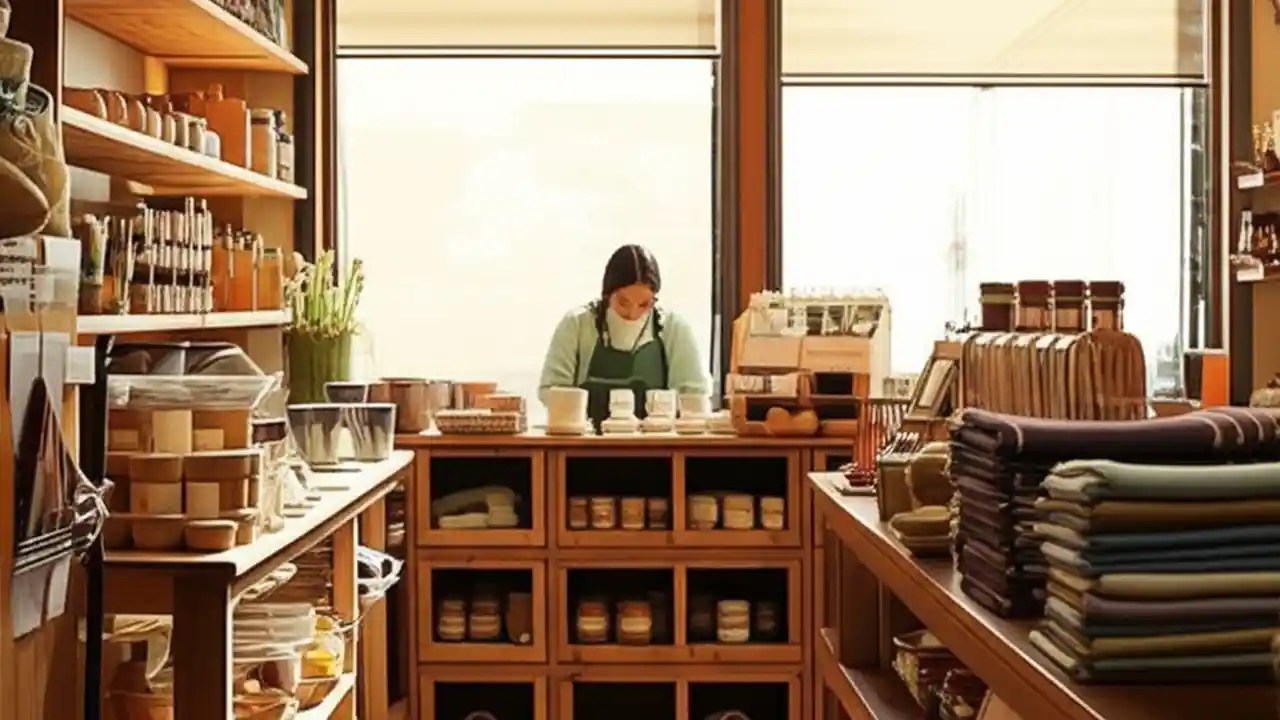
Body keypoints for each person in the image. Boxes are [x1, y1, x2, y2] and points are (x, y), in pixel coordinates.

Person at [538, 244, 709, 426]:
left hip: (658, 446)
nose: (633, 313)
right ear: (607, 293)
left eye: (644, 304)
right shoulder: (576, 325)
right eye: (623, 302)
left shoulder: (675, 329)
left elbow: (693, 398)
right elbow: (551, 390)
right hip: (587, 445)